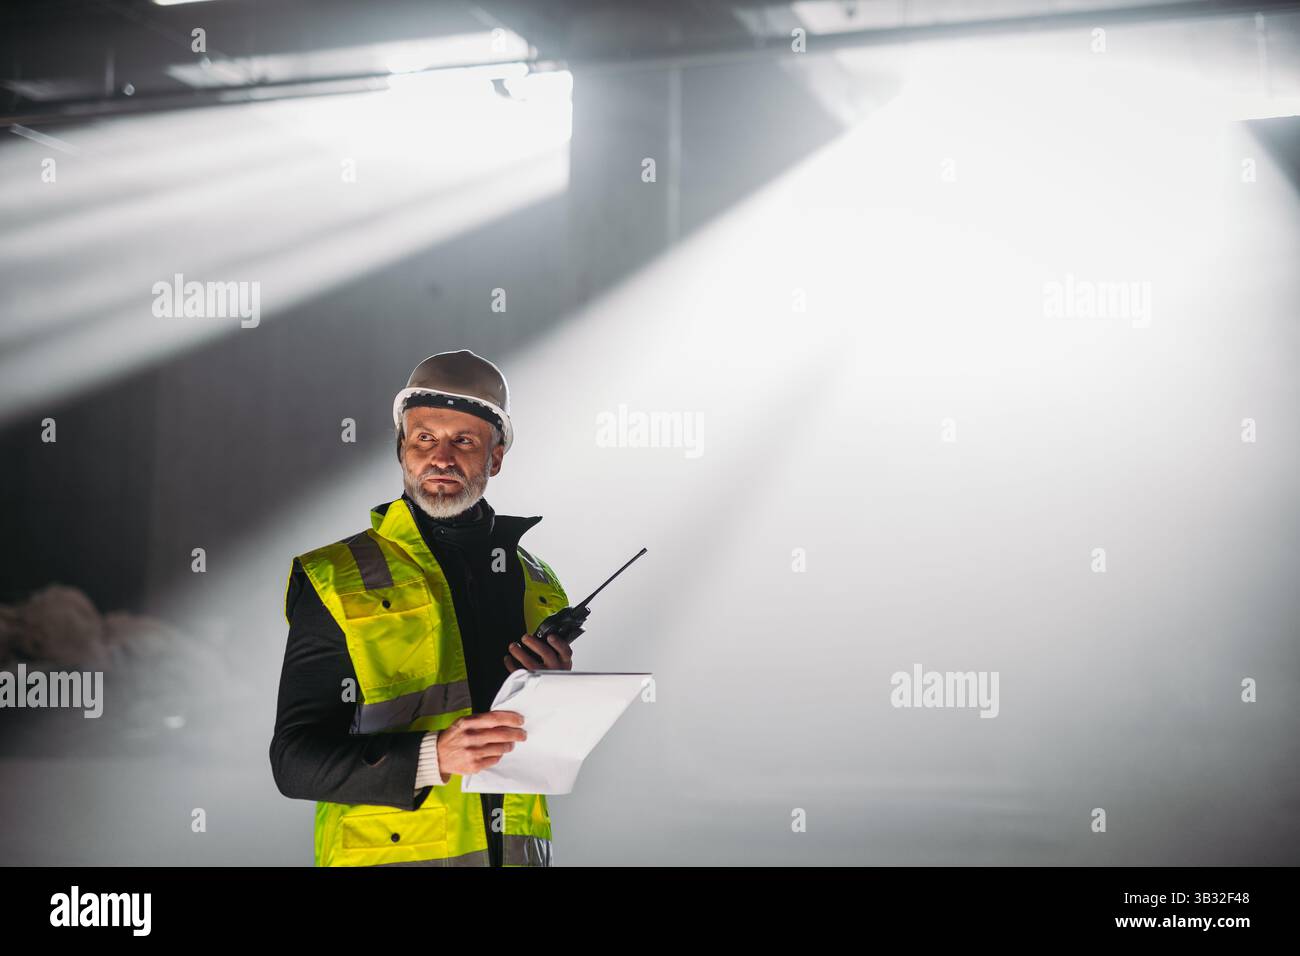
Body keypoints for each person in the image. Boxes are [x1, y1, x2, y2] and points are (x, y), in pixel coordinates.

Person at [269, 349, 573, 866]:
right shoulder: (335, 576)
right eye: (424, 438)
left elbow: (538, 743)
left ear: (495, 457)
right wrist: (434, 758)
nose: (441, 457)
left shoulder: (536, 580)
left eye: (464, 441)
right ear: (402, 448)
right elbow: (294, 764)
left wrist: (555, 696)